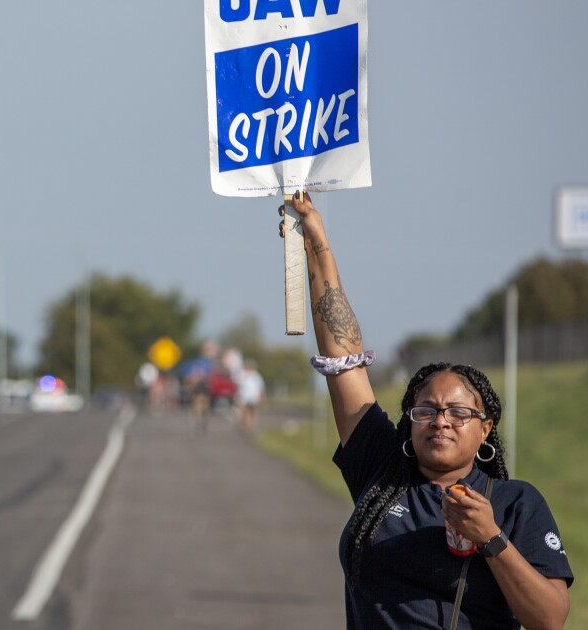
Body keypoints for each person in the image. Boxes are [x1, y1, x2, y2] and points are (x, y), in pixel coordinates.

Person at [281, 191, 572, 629]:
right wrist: (315, 237)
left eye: (458, 413)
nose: (440, 421)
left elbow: (549, 619)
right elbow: (344, 358)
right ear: (410, 421)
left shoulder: (515, 504)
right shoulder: (381, 473)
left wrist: (490, 538)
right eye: (426, 411)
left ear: (485, 428)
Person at [236, 359, 265, 434]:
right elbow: (238, 386)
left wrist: (262, 397)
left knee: (253, 412)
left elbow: (261, 387)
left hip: (254, 396)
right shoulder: (241, 375)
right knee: (244, 411)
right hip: (244, 396)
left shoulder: (256, 376)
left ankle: (251, 426)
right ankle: (246, 426)